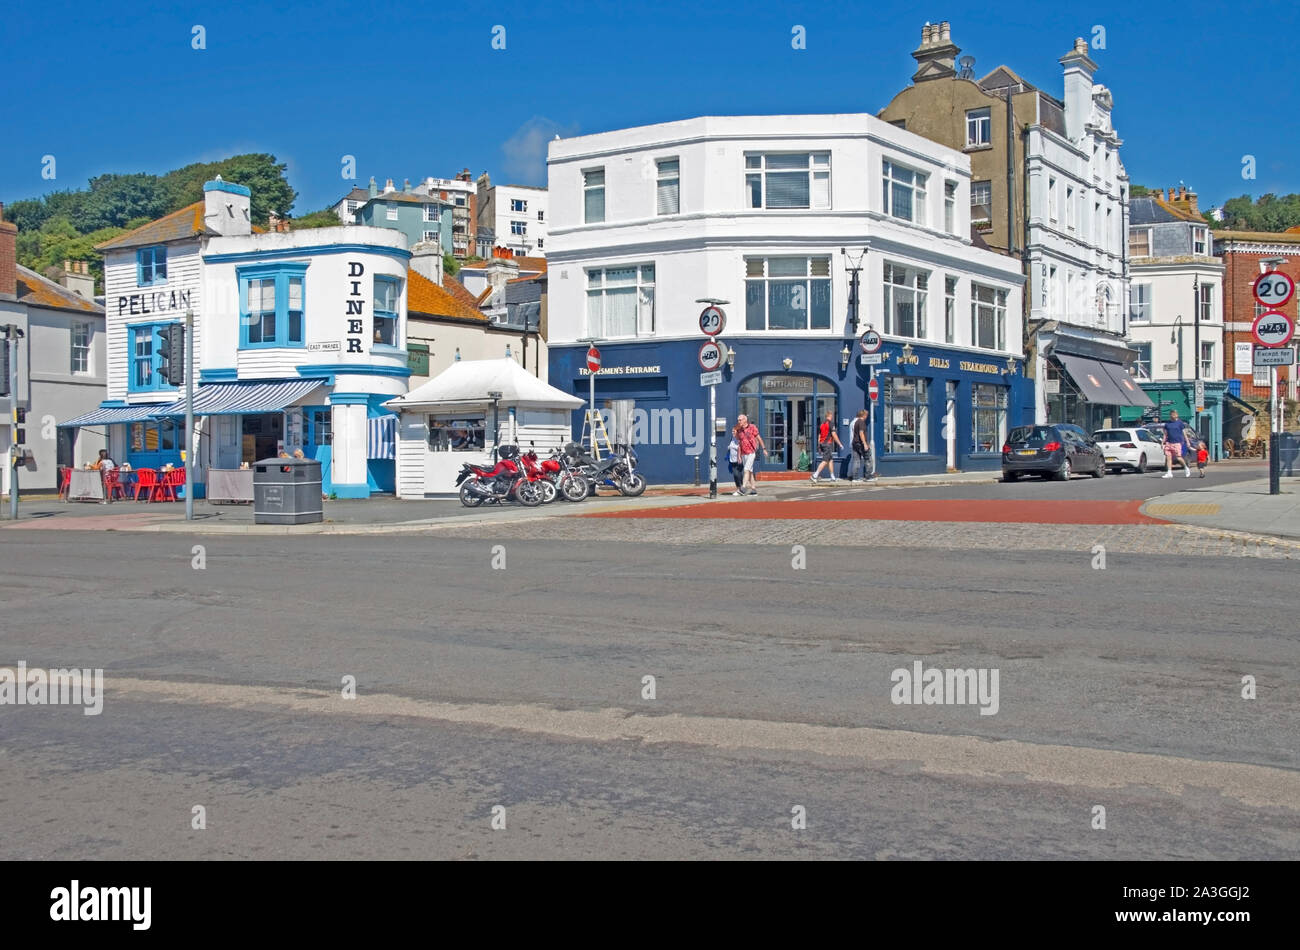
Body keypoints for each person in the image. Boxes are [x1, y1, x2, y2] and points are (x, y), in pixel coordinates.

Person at [735, 413, 765, 497]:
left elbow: (759, 438)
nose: (738, 421)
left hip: (751, 452)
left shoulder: (752, 427)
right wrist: (739, 455)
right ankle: (753, 490)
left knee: (746, 469)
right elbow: (739, 442)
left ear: (745, 420)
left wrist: (764, 449)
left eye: (740, 420)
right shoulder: (739, 430)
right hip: (744, 453)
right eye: (738, 420)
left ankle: (743, 488)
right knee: (750, 472)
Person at [811, 411, 842, 484]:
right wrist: (840, 444)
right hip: (827, 444)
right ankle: (815, 475)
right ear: (830, 416)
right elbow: (834, 434)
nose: (832, 417)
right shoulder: (831, 424)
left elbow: (819, 435)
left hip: (822, 443)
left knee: (830, 460)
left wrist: (819, 445)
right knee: (825, 461)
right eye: (832, 415)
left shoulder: (822, 424)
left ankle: (832, 477)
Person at [1160, 411, 1192, 478]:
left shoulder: (1180, 423)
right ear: (1170, 415)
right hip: (1169, 442)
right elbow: (1165, 434)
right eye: (1173, 415)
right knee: (1168, 457)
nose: (1174, 416)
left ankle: (1186, 468)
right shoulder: (1167, 424)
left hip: (1177, 442)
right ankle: (1169, 472)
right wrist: (1163, 442)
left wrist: (1187, 441)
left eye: (1175, 415)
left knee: (1178, 458)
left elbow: (1184, 433)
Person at [847, 409, 872, 482]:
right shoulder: (861, 422)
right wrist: (865, 444)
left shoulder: (855, 422)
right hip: (861, 444)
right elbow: (861, 433)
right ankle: (868, 477)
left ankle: (855, 478)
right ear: (864, 415)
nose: (867, 417)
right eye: (866, 415)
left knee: (856, 461)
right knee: (868, 459)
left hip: (855, 444)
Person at [727, 424, 743, 494]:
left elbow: (741, 449)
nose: (732, 433)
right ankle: (738, 489)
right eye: (732, 431)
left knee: (738, 474)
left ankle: (741, 488)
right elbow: (730, 446)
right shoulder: (732, 438)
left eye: (734, 431)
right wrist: (728, 447)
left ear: (737, 432)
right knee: (735, 475)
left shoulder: (740, 440)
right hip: (732, 460)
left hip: (739, 460)